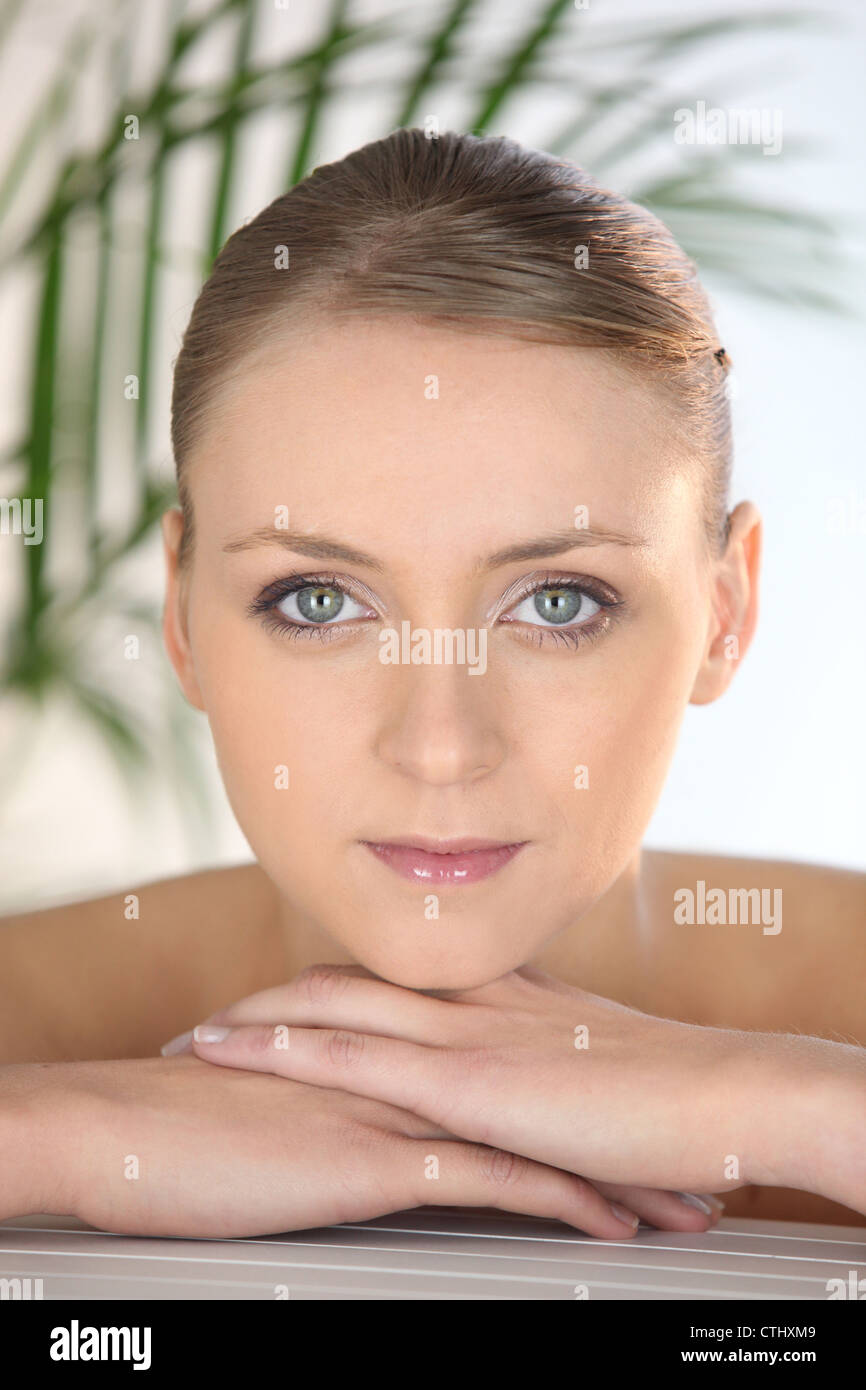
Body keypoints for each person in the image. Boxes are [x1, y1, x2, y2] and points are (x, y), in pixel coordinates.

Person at [1, 129, 863, 1241]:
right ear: (182, 615)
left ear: (724, 613)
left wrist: (794, 1106)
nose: (441, 744)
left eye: (558, 602)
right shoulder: (32, 1018)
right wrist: (59, 1129)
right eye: (317, 599)